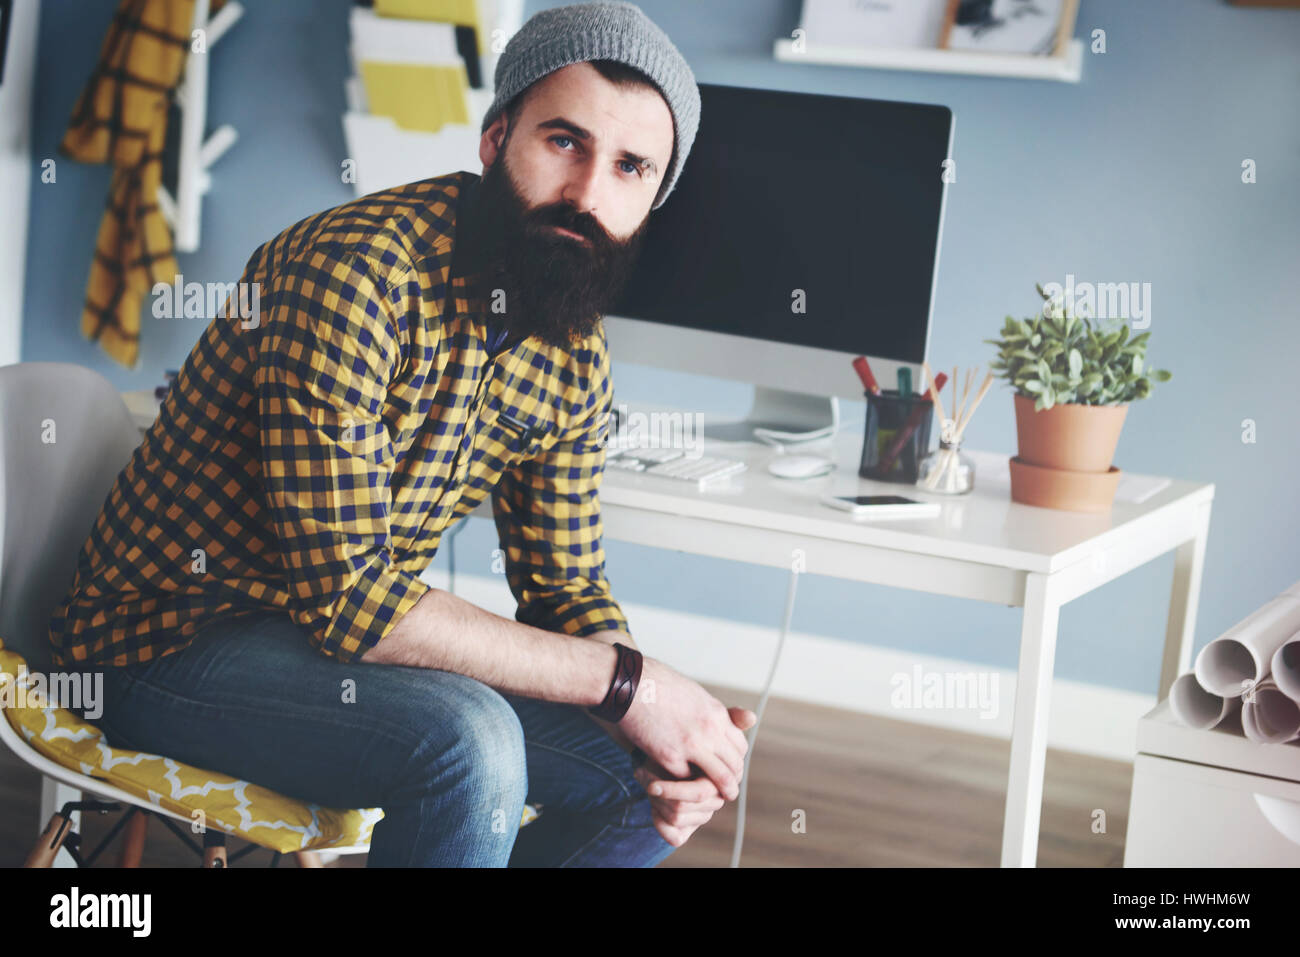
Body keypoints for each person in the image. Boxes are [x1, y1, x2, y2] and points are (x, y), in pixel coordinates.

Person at [47, 1, 756, 867]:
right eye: (564, 142)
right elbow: (352, 603)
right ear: (497, 139)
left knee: (642, 768)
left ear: (654, 195)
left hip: (325, 648)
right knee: (469, 742)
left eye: (631, 167)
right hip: (165, 647)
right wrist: (629, 683)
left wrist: (658, 718)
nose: (587, 195)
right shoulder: (354, 275)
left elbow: (567, 586)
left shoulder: (574, 350)